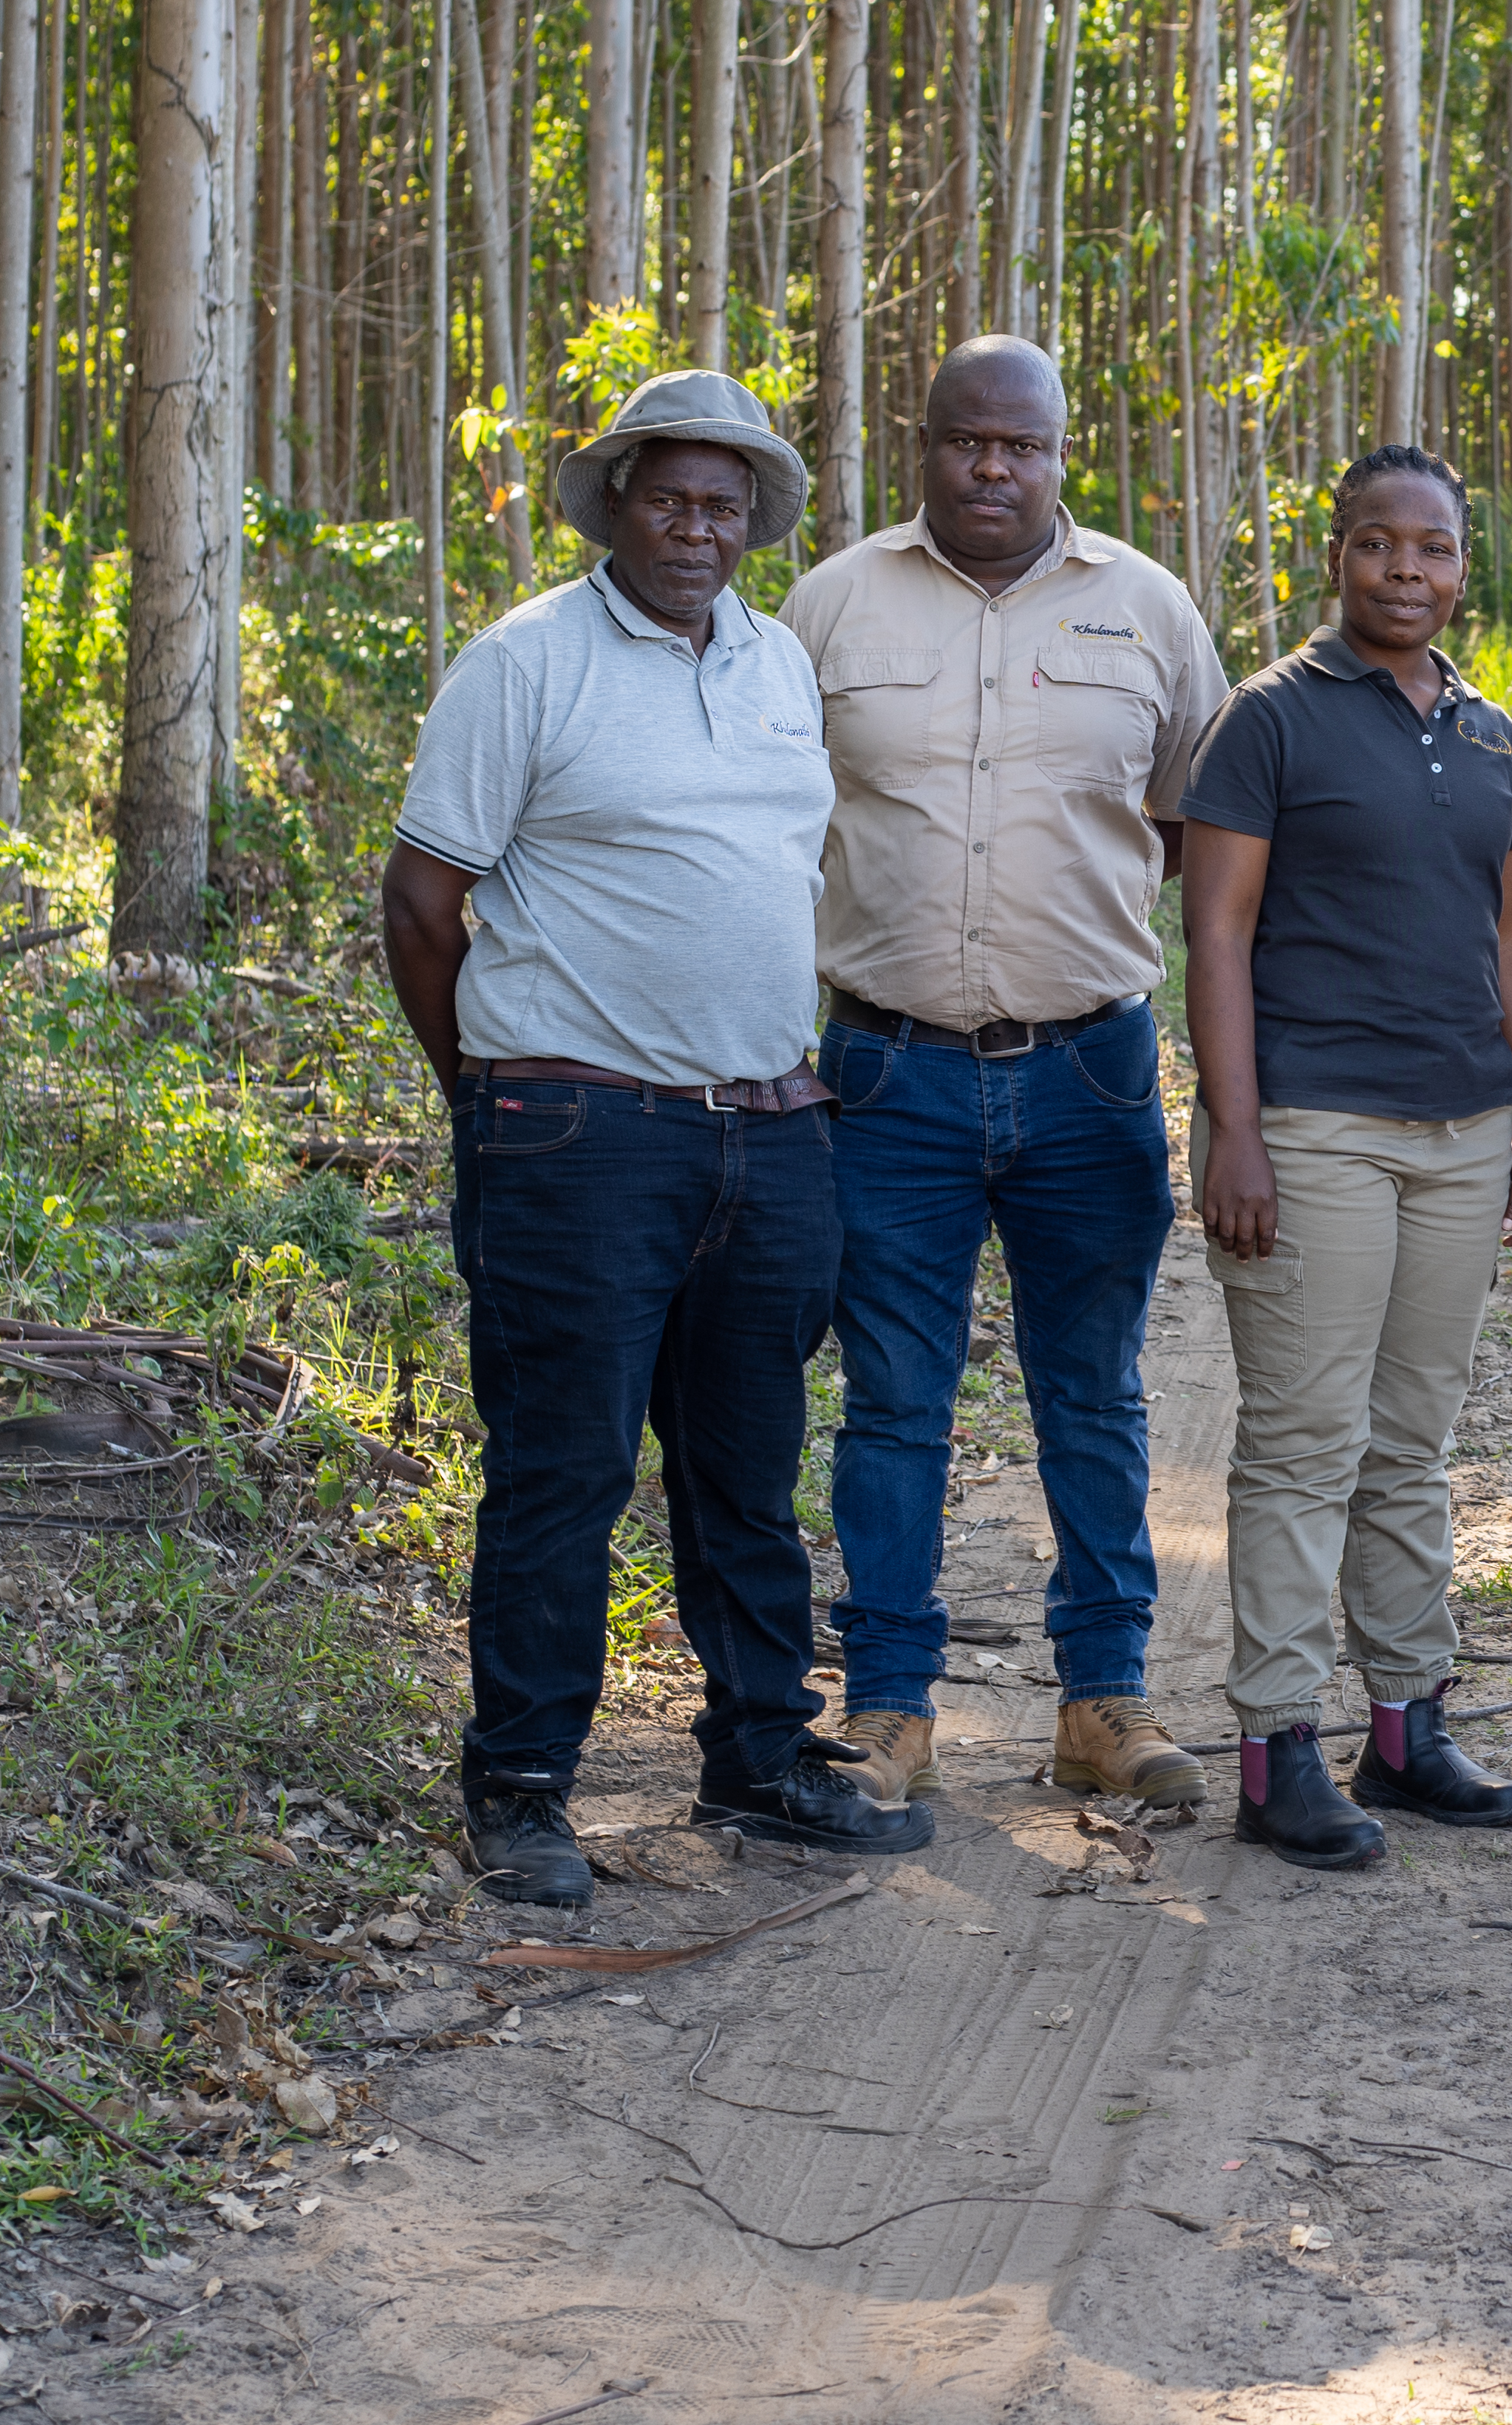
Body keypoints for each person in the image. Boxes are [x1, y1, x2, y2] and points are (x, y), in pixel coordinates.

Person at [379, 370, 933, 1907]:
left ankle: (758, 1752)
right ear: (616, 500)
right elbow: (425, 908)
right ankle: (523, 1783)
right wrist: (490, 1093)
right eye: (670, 496)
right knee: (561, 1470)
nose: (698, 525)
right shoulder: (526, 664)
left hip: (768, 1132)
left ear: (754, 520)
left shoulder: (773, 664)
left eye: (725, 501)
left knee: (749, 1466)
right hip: (577, 1131)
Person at [778, 339, 1231, 1815]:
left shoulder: (1149, 609)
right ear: (923, 448)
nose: (994, 468)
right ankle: (892, 1707)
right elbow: (778, 820)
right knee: (896, 1395)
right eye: (968, 442)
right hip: (882, 1066)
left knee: (1089, 1392)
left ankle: (1101, 1701)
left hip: (1085, 1066)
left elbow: (1194, 821)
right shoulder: (832, 605)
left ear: (1059, 455)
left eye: (1021, 446)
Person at [1177, 447, 1512, 1868]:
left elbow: (1509, 939)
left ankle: (1406, 1725)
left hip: (1463, 1133)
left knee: (1412, 1441)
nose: (1409, 571)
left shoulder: (1486, 732)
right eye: (1380, 545)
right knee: (1302, 1442)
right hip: (1316, 1126)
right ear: (1333, 555)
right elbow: (1213, 933)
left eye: (1437, 548)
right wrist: (1237, 1131)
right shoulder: (1266, 721)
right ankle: (1275, 1745)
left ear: (1467, 567)